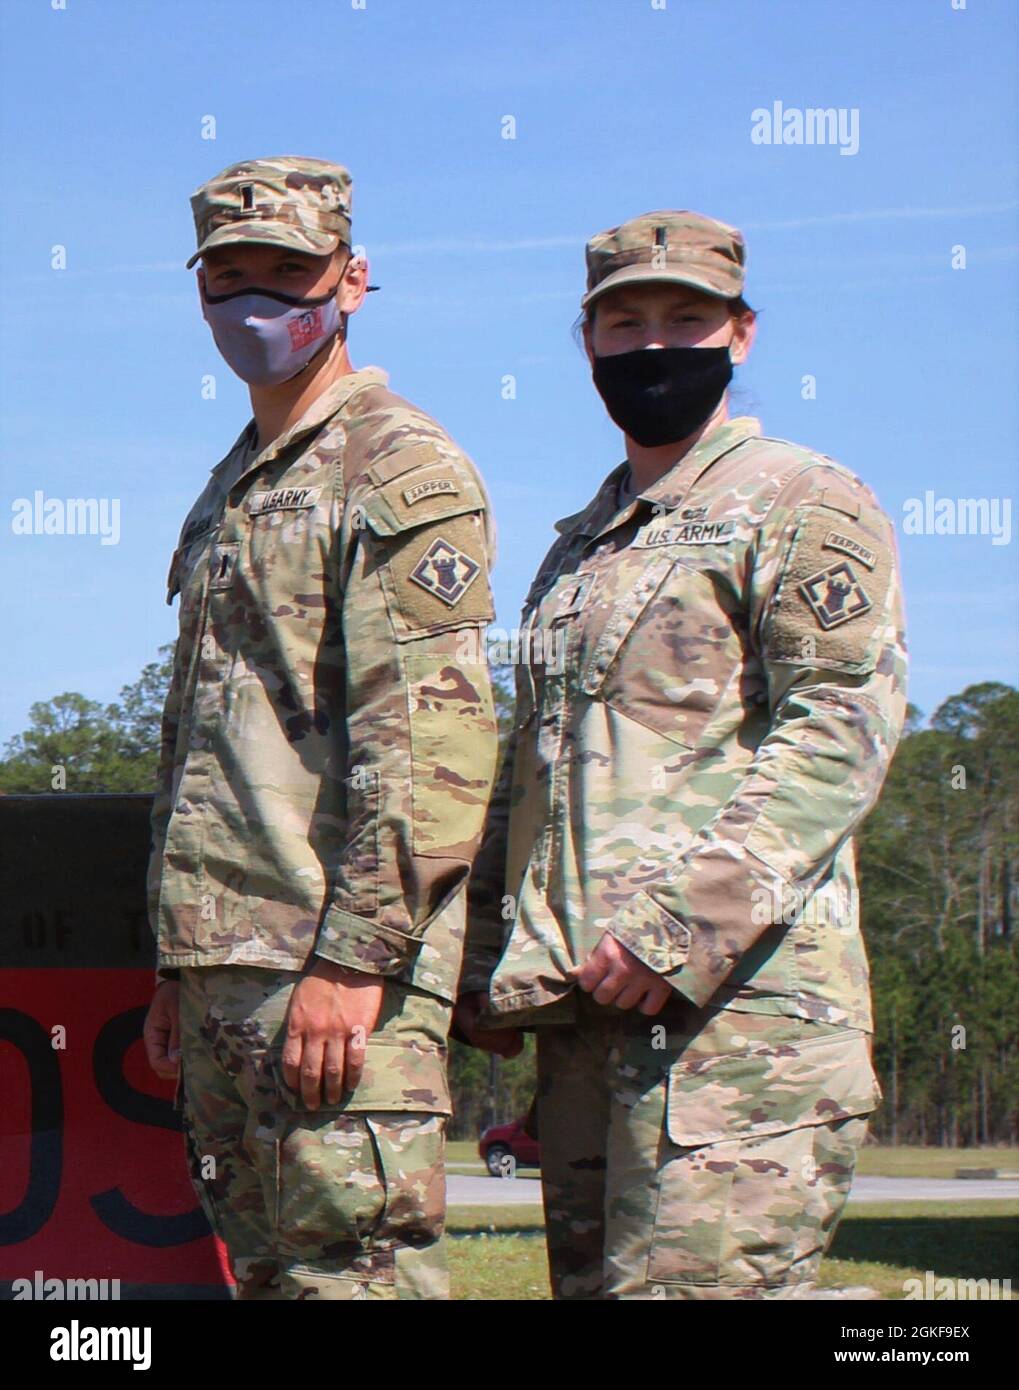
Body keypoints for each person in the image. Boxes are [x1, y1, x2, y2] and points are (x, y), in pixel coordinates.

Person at [457, 210, 908, 1300]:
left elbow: (838, 726)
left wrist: (680, 927)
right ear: (587, 343)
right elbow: (535, 772)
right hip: (587, 1029)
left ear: (739, 334)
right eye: (625, 322)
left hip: (739, 1032)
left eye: (684, 318)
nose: (653, 344)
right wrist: (481, 963)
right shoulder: (578, 544)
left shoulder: (799, 499)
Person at [142, 155, 499, 1300]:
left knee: (355, 1273)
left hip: (331, 970)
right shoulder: (232, 485)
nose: (256, 305)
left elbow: (432, 745)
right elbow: (197, 740)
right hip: (225, 967)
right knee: (264, 1276)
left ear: (351, 279)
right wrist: (177, 958)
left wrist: (354, 960)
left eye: (286, 275)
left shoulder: (397, 465)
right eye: (229, 277)